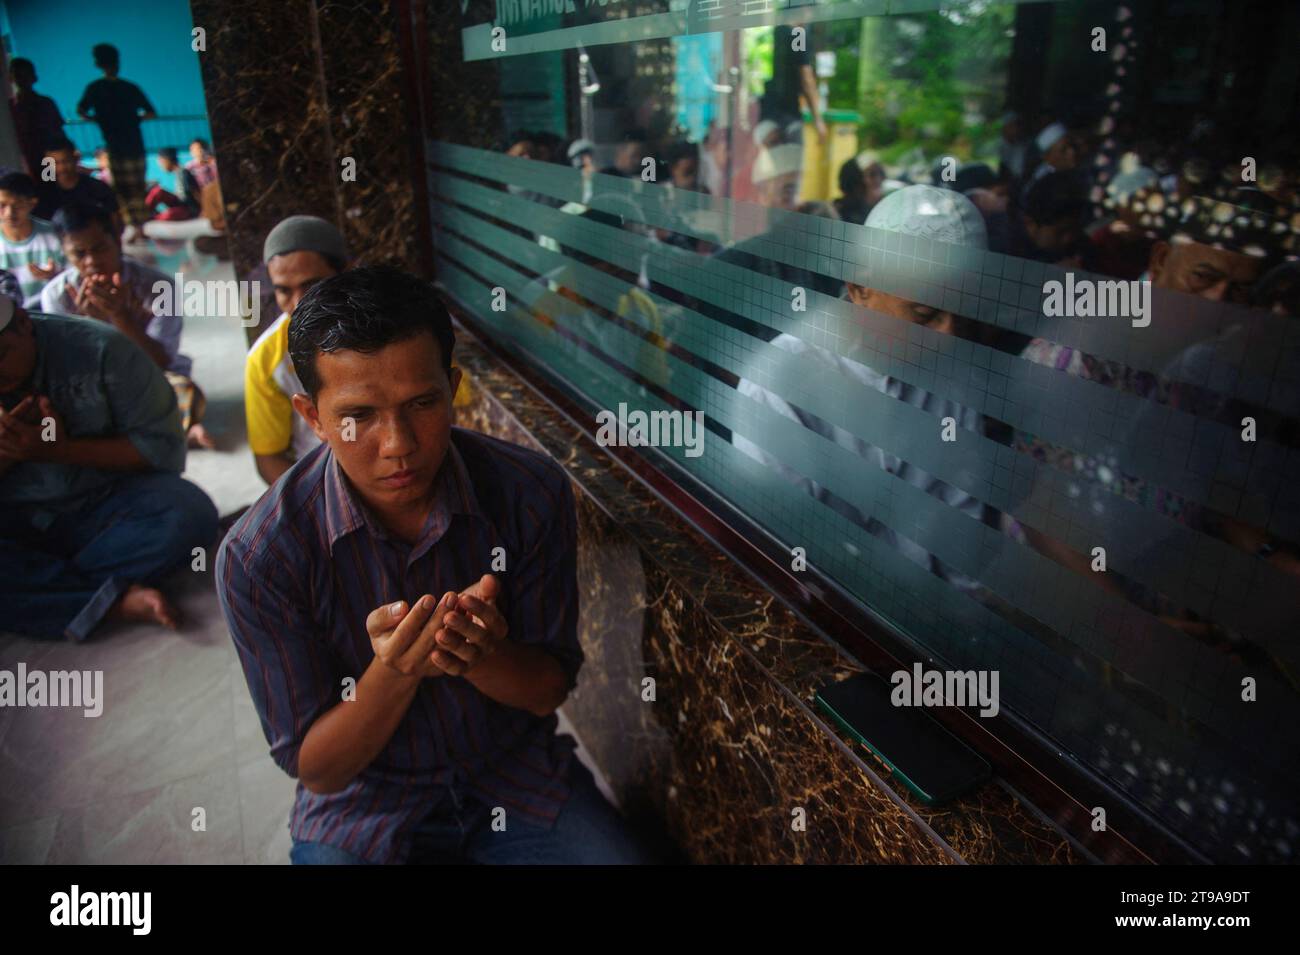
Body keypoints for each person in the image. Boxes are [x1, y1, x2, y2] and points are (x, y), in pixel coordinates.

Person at [216, 266, 653, 865]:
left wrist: (480, 655)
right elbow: (319, 769)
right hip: (367, 800)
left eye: (421, 403)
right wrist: (395, 670)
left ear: (453, 389)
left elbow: (547, 691)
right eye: (359, 415)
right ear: (312, 416)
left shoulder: (528, 491)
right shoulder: (262, 556)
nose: (397, 444)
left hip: (513, 772)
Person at [0, 295, 218, 639]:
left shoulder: (102, 351)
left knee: (188, 513)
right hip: (17, 520)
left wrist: (58, 450)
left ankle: (49, 591)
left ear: (25, 323)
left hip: (102, 508)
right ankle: (109, 600)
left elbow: (160, 452)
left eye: (1, 355)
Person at [39, 201, 214, 449]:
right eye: (79, 254)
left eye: (100, 249)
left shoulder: (159, 287)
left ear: (118, 242)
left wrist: (122, 318)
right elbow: (69, 370)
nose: (92, 262)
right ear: (65, 254)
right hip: (95, 385)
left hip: (147, 376)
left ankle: (165, 431)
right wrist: (88, 325)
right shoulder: (56, 296)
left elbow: (161, 361)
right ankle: (173, 431)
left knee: (183, 390)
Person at [245, 215, 348, 485]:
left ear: (347, 273)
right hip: (325, 480)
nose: (299, 304)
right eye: (284, 291)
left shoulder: (393, 330)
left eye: (312, 286)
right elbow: (269, 459)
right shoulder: (266, 359)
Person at [76, 44, 156, 242]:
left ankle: (133, 227)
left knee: (121, 191)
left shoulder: (95, 89)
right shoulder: (129, 88)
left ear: (98, 64)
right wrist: (133, 120)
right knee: (135, 188)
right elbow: (151, 113)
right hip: (133, 145)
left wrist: (99, 120)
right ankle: (139, 228)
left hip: (116, 146)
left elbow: (81, 111)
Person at [0, 171, 65, 307]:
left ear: (32, 204)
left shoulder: (54, 235)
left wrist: (55, 277)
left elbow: (74, 276)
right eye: (2, 205)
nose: (9, 213)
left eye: (17, 205)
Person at [33, 136, 119, 223]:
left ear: (76, 158)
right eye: (55, 163)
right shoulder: (44, 195)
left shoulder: (98, 188)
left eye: (66, 161)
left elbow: (114, 220)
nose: (62, 168)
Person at [7, 57, 64, 180]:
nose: (22, 80)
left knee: (49, 187)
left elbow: (58, 132)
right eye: (19, 76)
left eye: (25, 76)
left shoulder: (45, 103)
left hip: (46, 157)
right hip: (23, 159)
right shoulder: (9, 108)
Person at [146, 147, 199, 221]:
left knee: (170, 214)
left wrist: (201, 210)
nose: (161, 166)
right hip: (179, 203)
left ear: (167, 160)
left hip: (188, 209)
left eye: (161, 162)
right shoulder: (178, 173)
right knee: (157, 191)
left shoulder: (184, 173)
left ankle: (152, 218)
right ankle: (144, 212)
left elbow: (195, 192)